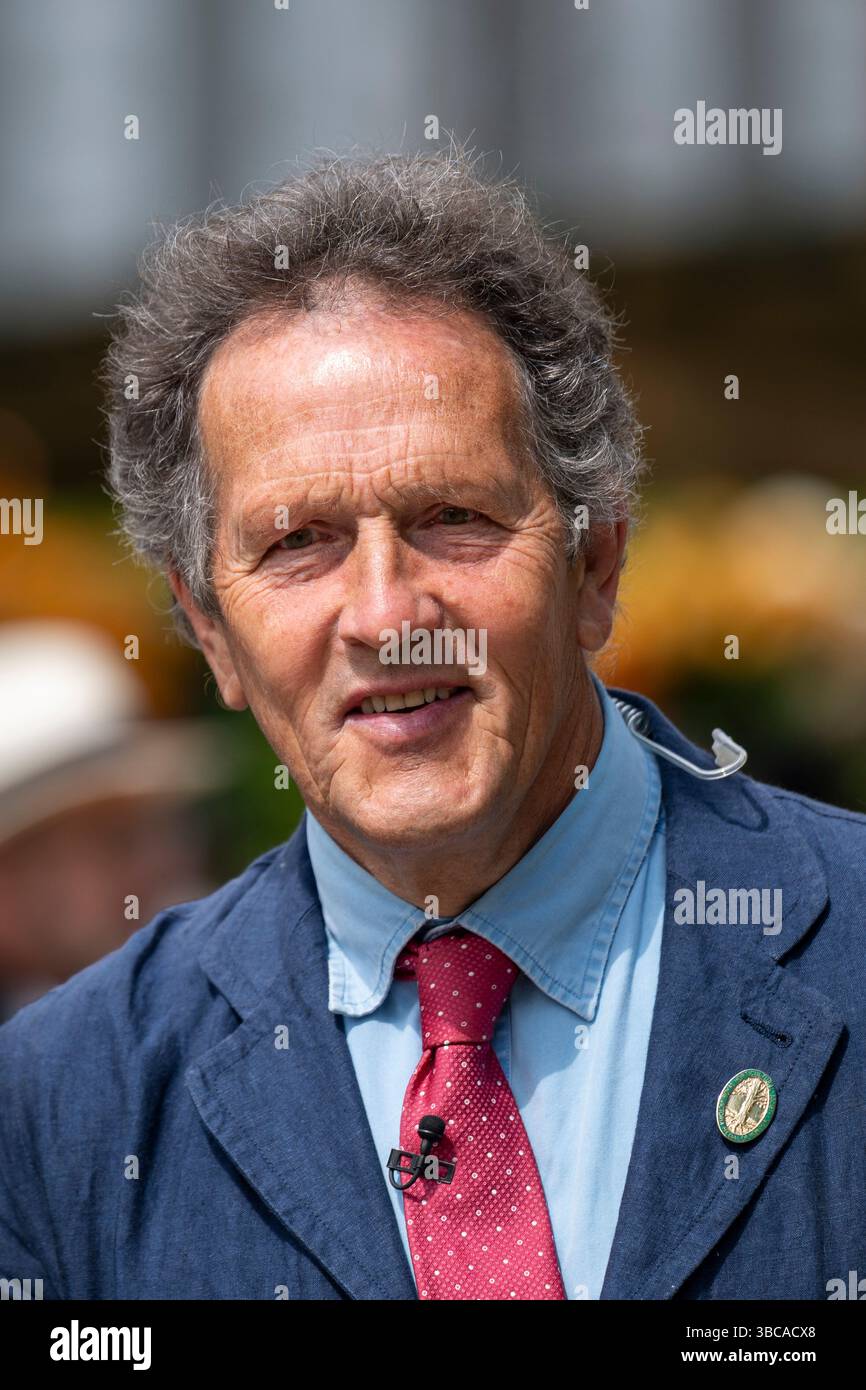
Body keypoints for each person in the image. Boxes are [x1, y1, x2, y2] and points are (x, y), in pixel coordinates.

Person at [0, 148, 863, 1302]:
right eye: (297, 542)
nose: (385, 615)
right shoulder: (62, 1106)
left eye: (452, 516)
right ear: (208, 629)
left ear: (595, 561)